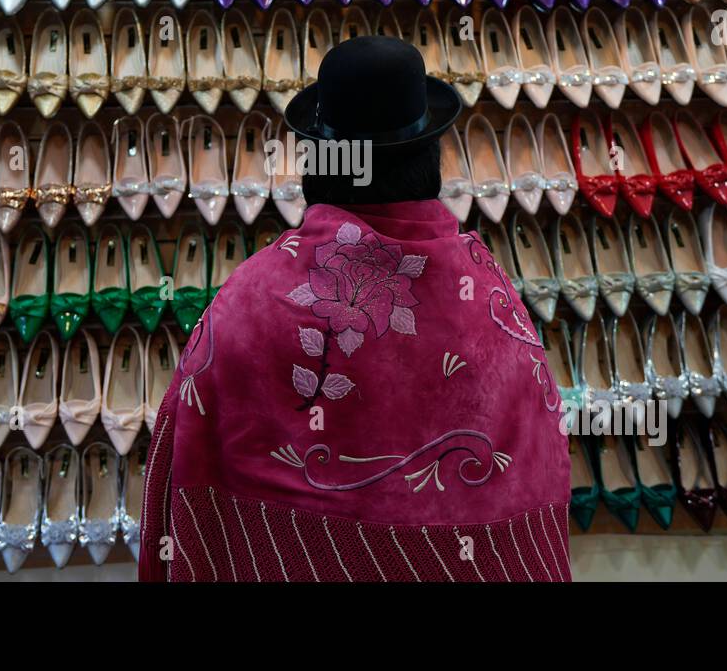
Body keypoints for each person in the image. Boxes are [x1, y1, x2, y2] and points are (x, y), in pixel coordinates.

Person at [138, 36, 570, 582]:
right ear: (429, 157)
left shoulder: (250, 300)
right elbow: (533, 474)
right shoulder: (492, 301)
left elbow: (185, 462)